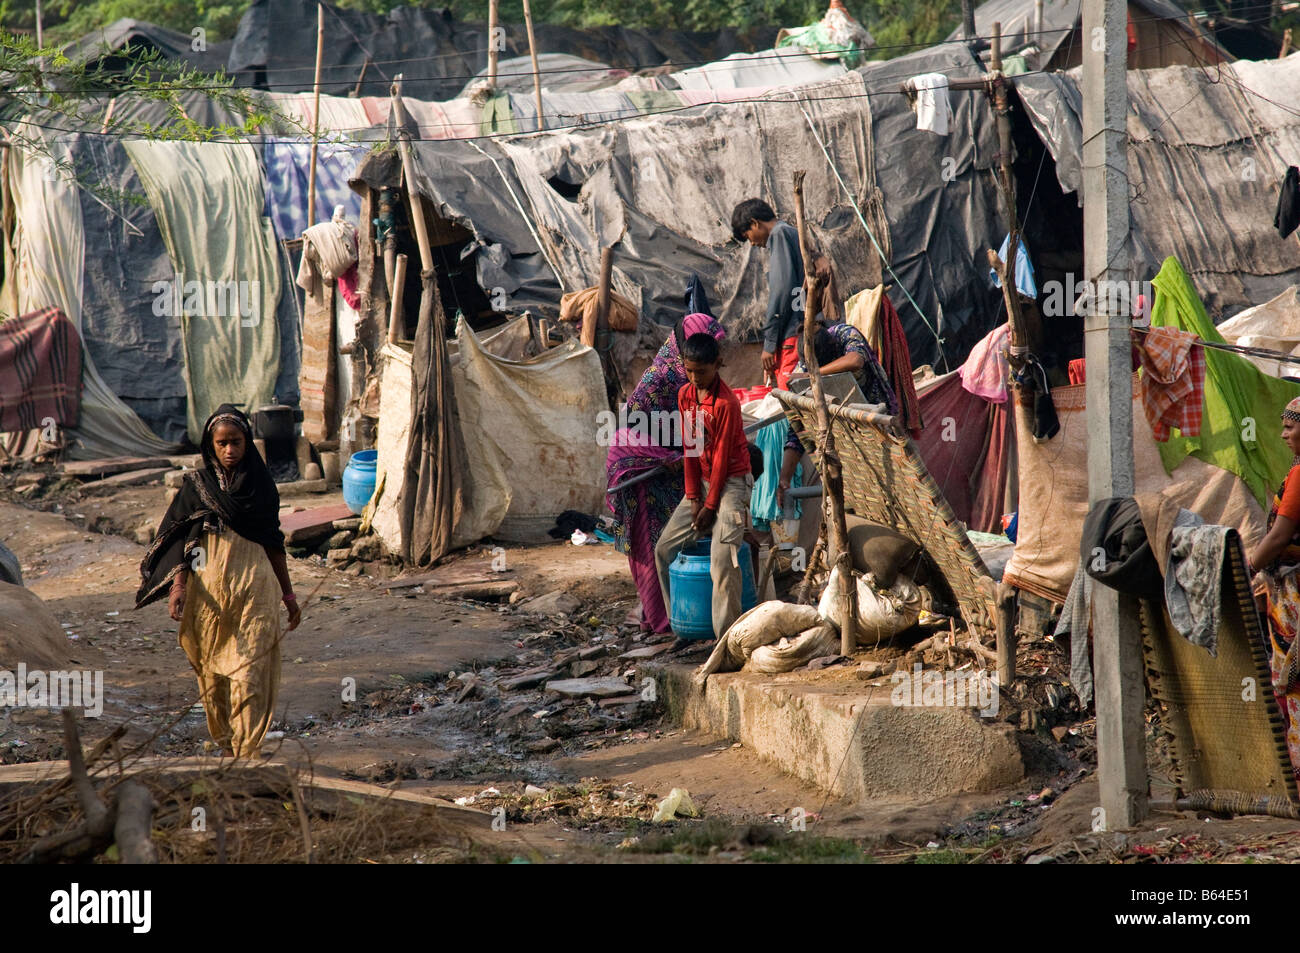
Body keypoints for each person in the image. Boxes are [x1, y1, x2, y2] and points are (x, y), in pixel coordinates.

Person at [136, 404, 300, 758]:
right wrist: (178, 587)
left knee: (251, 667)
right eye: (222, 443)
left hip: (255, 586)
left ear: (246, 441)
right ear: (210, 445)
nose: (230, 450)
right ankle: (226, 745)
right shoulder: (197, 486)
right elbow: (177, 538)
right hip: (207, 591)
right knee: (212, 674)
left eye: (236, 442)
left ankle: (248, 750)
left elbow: (274, 543)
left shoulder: (262, 487)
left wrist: (288, 596)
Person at [606, 313, 727, 632]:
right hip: (648, 480)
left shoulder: (698, 382)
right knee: (652, 546)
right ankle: (664, 619)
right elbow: (628, 424)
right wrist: (661, 456)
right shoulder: (658, 378)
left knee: (685, 546)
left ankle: (688, 614)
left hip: (678, 476)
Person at [654, 332, 754, 639]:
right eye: (690, 370)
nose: (695, 377)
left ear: (718, 365)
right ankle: (681, 627)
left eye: (702, 371)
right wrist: (694, 497)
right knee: (664, 550)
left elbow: (723, 457)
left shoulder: (727, 403)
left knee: (723, 559)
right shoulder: (685, 394)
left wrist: (710, 506)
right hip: (705, 484)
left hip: (733, 484)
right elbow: (691, 447)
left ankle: (725, 638)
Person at [776, 322, 898, 507]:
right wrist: (784, 478)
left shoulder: (844, 334)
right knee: (853, 497)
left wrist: (815, 375)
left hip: (879, 423)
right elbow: (796, 428)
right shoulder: (803, 370)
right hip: (844, 442)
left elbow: (856, 360)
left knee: (893, 484)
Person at [1248, 395, 1300, 778]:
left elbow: (1280, 535)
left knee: (1293, 677)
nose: (1283, 434)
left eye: (1290, 426)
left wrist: (1248, 566)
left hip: (1293, 590)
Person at [732, 198, 805, 390]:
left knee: (792, 397)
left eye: (748, 236)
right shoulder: (791, 233)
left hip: (792, 332)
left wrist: (770, 343)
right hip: (801, 328)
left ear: (755, 223)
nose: (753, 243)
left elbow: (782, 290)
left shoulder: (779, 234)